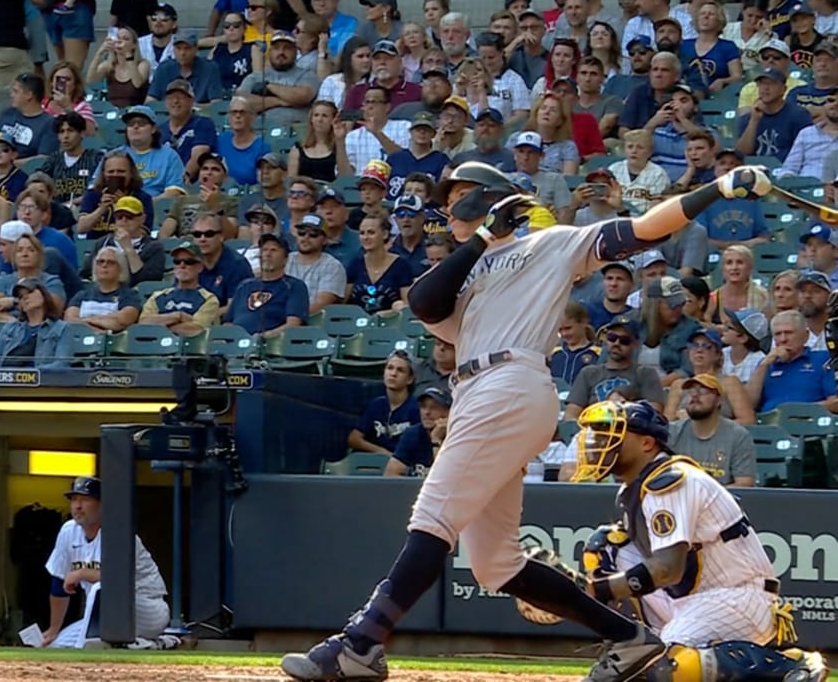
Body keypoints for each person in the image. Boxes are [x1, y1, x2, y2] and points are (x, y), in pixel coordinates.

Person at [281, 158, 780, 682]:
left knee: (433, 517)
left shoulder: (551, 244)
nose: (449, 209)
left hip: (509, 381)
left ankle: (360, 643)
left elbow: (642, 229)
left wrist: (717, 187)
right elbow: (424, 303)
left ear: (492, 198)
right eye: (447, 202)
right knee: (494, 563)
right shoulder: (465, 275)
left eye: (460, 197)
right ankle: (629, 638)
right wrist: (482, 238)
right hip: (477, 390)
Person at [570, 400, 827, 682]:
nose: (600, 442)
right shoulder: (632, 489)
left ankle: (788, 665)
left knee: (666, 668)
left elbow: (667, 569)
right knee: (606, 546)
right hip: (685, 599)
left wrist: (594, 590)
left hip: (736, 598)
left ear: (646, 443)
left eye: (612, 434)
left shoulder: (670, 480)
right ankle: (633, 645)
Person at [41, 476, 170, 650]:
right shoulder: (68, 531)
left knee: (101, 590)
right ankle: (143, 644)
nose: (78, 506)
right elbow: (58, 584)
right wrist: (53, 629)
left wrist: (82, 573)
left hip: (146, 608)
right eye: (74, 499)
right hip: (102, 617)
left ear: (103, 505)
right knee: (57, 646)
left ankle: (160, 642)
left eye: (85, 499)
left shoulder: (119, 533)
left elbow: (117, 582)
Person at [384, 387, 452, 478]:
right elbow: (390, 474)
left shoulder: (457, 436)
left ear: (448, 412)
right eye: (423, 407)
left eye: (434, 408)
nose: (427, 412)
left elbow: (445, 478)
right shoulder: (412, 434)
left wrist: (436, 440)